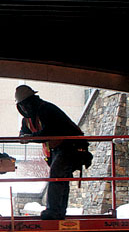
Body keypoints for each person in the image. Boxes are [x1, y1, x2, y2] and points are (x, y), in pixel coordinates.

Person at [15, 84, 92, 220]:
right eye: (22, 106)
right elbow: (25, 132)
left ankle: (54, 211)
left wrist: (31, 138)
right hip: (57, 148)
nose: (24, 108)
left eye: (26, 104)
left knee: (57, 175)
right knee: (61, 177)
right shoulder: (28, 119)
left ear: (32, 101)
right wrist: (24, 137)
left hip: (71, 145)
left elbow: (49, 132)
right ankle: (58, 211)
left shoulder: (46, 110)